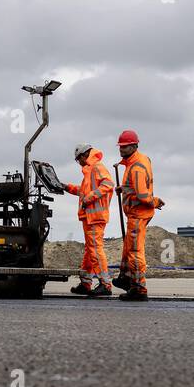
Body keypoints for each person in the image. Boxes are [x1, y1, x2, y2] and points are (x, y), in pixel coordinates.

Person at [113, 129, 164, 301]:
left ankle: (139, 288)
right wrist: (124, 188)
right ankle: (127, 279)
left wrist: (155, 202)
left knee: (135, 251)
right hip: (137, 213)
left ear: (134, 146)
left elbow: (142, 195)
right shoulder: (139, 161)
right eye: (120, 146)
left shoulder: (135, 167)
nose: (121, 149)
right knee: (129, 248)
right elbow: (136, 186)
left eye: (125, 147)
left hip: (138, 213)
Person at [63, 142, 114, 297]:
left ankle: (106, 284)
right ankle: (86, 283)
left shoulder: (97, 167)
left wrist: (90, 198)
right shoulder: (89, 171)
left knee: (95, 249)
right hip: (90, 217)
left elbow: (108, 184)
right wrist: (67, 187)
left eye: (79, 159)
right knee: (89, 251)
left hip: (95, 217)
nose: (79, 163)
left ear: (85, 155)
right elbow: (83, 191)